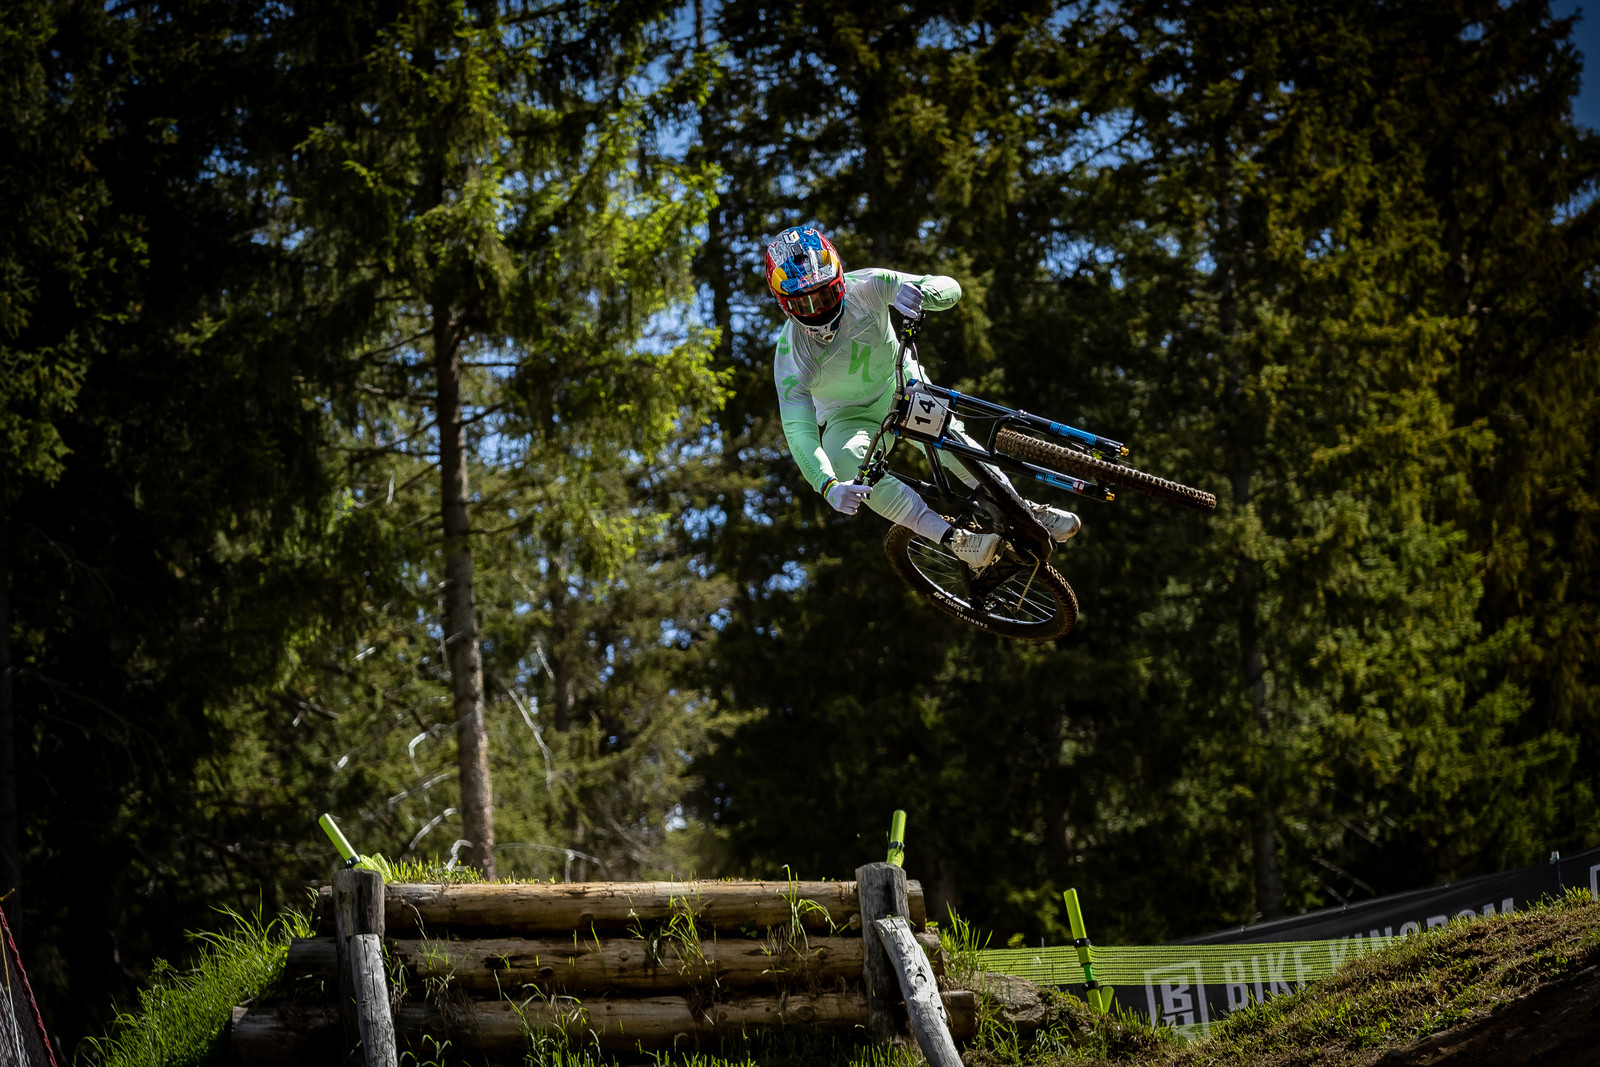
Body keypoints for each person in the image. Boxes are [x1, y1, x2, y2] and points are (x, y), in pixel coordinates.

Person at [766, 225, 1080, 568]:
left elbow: (950, 287)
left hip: (899, 382)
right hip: (847, 418)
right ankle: (955, 540)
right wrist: (827, 486)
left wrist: (920, 293)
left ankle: (1020, 508)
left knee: (947, 437)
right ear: (784, 305)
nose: (818, 311)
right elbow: (799, 432)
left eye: (825, 297)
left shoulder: (870, 284)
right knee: (847, 466)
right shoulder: (790, 356)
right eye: (804, 303)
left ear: (840, 280)